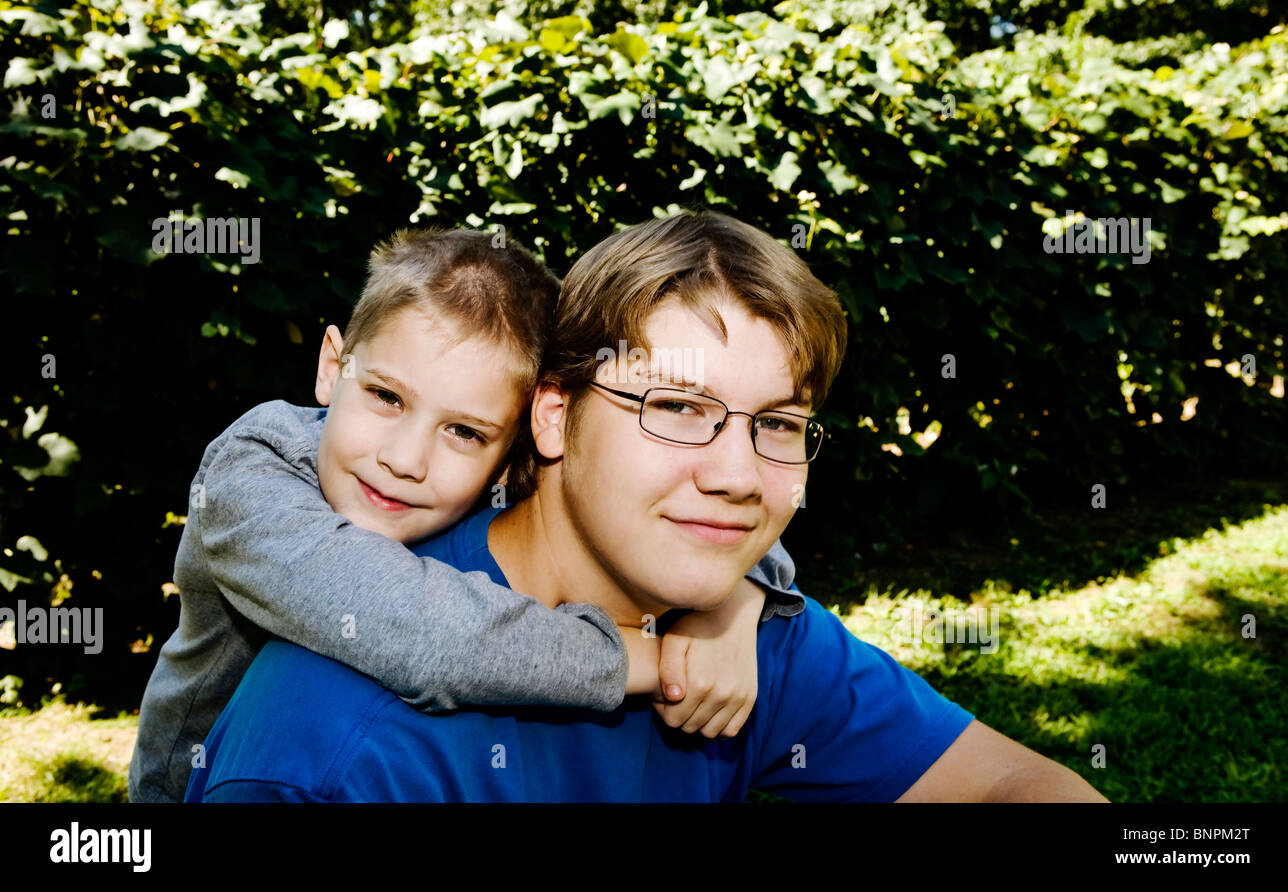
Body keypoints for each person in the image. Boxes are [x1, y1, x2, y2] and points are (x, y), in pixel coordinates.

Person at [186, 211, 1108, 802]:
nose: (739, 475)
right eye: (677, 409)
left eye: (778, 425)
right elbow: (432, 635)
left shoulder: (751, 642)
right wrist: (662, 655)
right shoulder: (338, 740)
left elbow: (1019, 789)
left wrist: (741, 600)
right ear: (555, 416)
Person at [129, 227, 803, 803]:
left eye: (465, 432)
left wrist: (733, 607)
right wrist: (649, 660)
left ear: (517, 445)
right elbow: (419, 628)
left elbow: (695, 513)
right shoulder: (250, 475)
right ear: (332, 366)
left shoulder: (493, 474)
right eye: (387, 397)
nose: (404, 459)